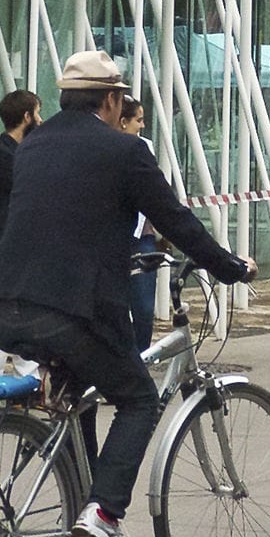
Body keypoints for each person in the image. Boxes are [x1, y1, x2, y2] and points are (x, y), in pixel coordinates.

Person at [0, 50, 255, 537]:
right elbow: (175, 219)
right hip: (69, 310)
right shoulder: (123, 150)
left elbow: (62, 218)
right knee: (138, 400)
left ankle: (79, 499)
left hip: (6, 307)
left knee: (79, 393)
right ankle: (102, 515)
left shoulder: (32, 146)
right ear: (111, 100)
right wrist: (230, 268)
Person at [0, 89, 43, 380]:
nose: (41, 119)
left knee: (20, 310)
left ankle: (29, 376)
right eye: (37, 112)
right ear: (26, 116)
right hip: (10, 246)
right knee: (3, 311)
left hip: (20, 245)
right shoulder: (2, 155)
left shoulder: (18, 153)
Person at [119, 95, 159, 351]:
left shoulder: (144, 147)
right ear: (123, 122)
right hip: (116, 236)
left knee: (144, 307)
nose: (142, 125)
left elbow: (154, 190)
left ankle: (141, 357)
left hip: (143, 235)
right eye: (138, 120)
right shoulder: (103, 147)